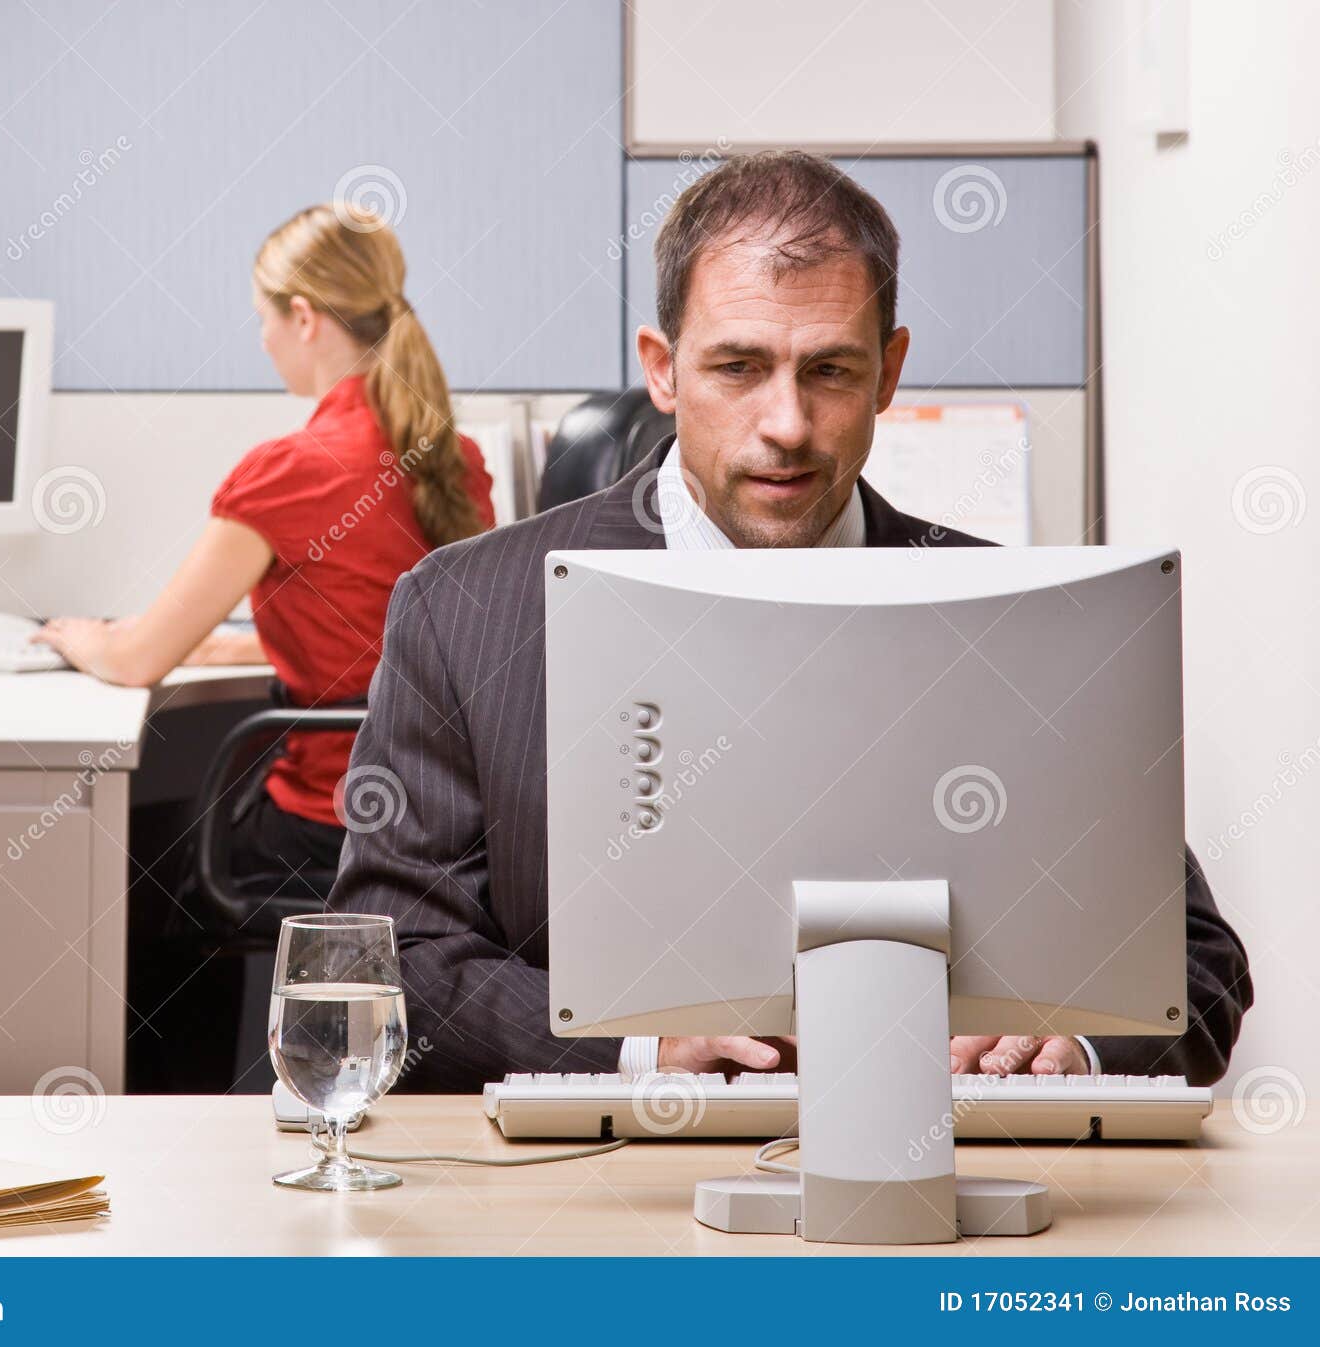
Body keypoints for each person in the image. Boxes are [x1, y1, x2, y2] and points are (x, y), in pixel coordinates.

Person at [328, 150, 1252, 1092]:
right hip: (607, 1185)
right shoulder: (469, 611)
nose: (788, 424)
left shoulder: (1024, 621)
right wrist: (639, 1053)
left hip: (954, 1182)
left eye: (831, 370)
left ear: (889, 373)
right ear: (663, 369)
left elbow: (1194, 961)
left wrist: (1071, 1047)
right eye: (738, 367)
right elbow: (393, 957)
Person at [34, 201, 495, 882]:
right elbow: (389, 634)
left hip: (328, 825)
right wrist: (236, 644)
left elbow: (135, 661)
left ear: (303, 317)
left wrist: (77, 637)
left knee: (123, 862)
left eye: (263, 318)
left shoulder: (289, 470)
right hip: (445, 828)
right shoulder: (454, 456)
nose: (263, 339)